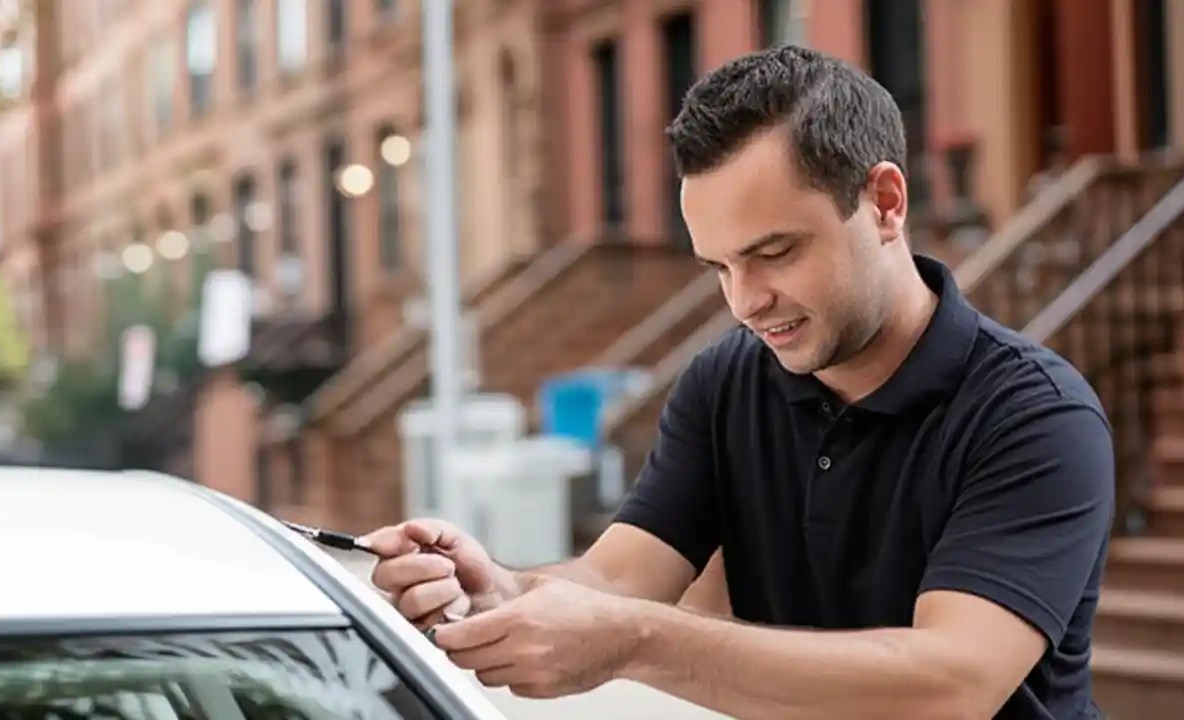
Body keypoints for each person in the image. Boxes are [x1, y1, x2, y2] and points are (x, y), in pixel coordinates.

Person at [363, 45, 1113, 720]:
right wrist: (502, 593)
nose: (746, 301)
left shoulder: (1035, 418)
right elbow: (619, 580)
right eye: (719, 266)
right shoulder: (725, 382)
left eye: (775, 252)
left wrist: (638, 643)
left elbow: (948, 687)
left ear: (885, 203)